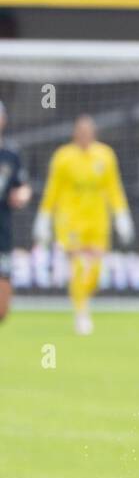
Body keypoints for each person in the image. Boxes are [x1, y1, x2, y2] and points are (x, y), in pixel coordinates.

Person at [32, 114, 133, 334]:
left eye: (89, 132)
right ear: (75, 134)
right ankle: (81, 312)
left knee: (95, 272)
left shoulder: (105, 155)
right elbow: (53, 190)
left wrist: (122, 216)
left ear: (94, 134)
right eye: (81, 132)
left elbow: (113, 188)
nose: (85, 136)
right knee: (78, 266)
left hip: (97, 221)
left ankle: (83, 300)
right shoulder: (63, 157)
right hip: (70, 221)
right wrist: (44, 217)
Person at [0, 100, 33, 323]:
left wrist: (23, 194)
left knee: (2, 309)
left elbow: (23, 185)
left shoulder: (11, 154)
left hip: (2, 232)